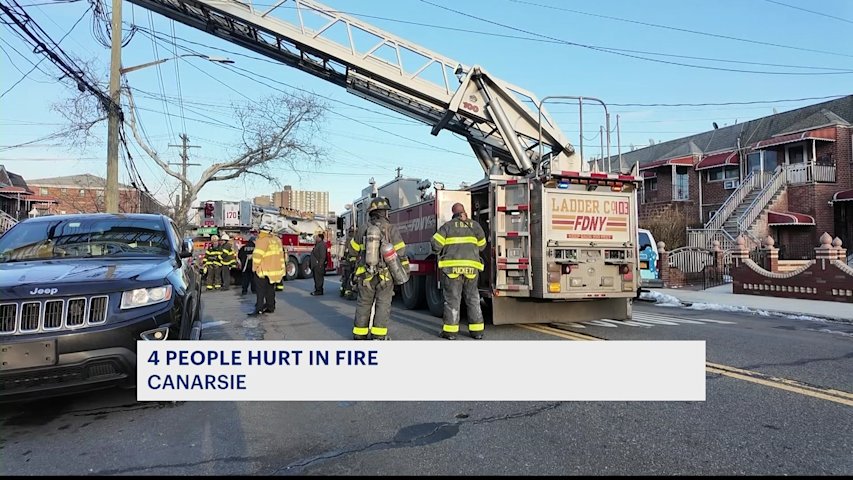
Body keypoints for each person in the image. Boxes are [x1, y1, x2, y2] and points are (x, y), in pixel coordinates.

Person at [347, 197, 408, 340]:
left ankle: (359, 334)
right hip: (385, 276)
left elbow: (352, 251)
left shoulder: (363, 228)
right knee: (383, 304)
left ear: (371, 213)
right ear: (385, 213)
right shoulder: (391, 229)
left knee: (363, 303)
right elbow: (401, 252)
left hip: (365, 275)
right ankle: (378, 336)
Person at [431, 202, 487, 340]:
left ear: (453, 213)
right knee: (473, 299)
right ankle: (477, 332)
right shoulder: (475, 226)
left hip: (451, 271)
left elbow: (435, 245)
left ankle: (450, 333)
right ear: (464, 212)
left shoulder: (447, 226)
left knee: (452, 301)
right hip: (472, 270)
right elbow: (482, 245)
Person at [249, 224, 285, 316]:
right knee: (270, 290)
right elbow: (281, 255)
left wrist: (254, 268)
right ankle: (270, 307)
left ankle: (259, 309)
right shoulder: (277, 240)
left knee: (260, 291)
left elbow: (257, 256)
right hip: (273, 271)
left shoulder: (262, 240)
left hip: (263, 270)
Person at [238, 230, 257, 295]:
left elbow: (239, 255)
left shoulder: (243, 247)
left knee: (245, 279)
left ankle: (244, 290)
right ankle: (254, 290)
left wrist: (242, 261)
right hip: (253, 265)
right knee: (253, 278)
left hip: (245, 266)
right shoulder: (256, 248)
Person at [340, 226, 356, 300]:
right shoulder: (352, 241)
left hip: (345, 262)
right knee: (350, 279)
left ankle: (342, 291)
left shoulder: (346, 240)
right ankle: (348, 294)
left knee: (345, 278)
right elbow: (354, 253)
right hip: (351, 263)